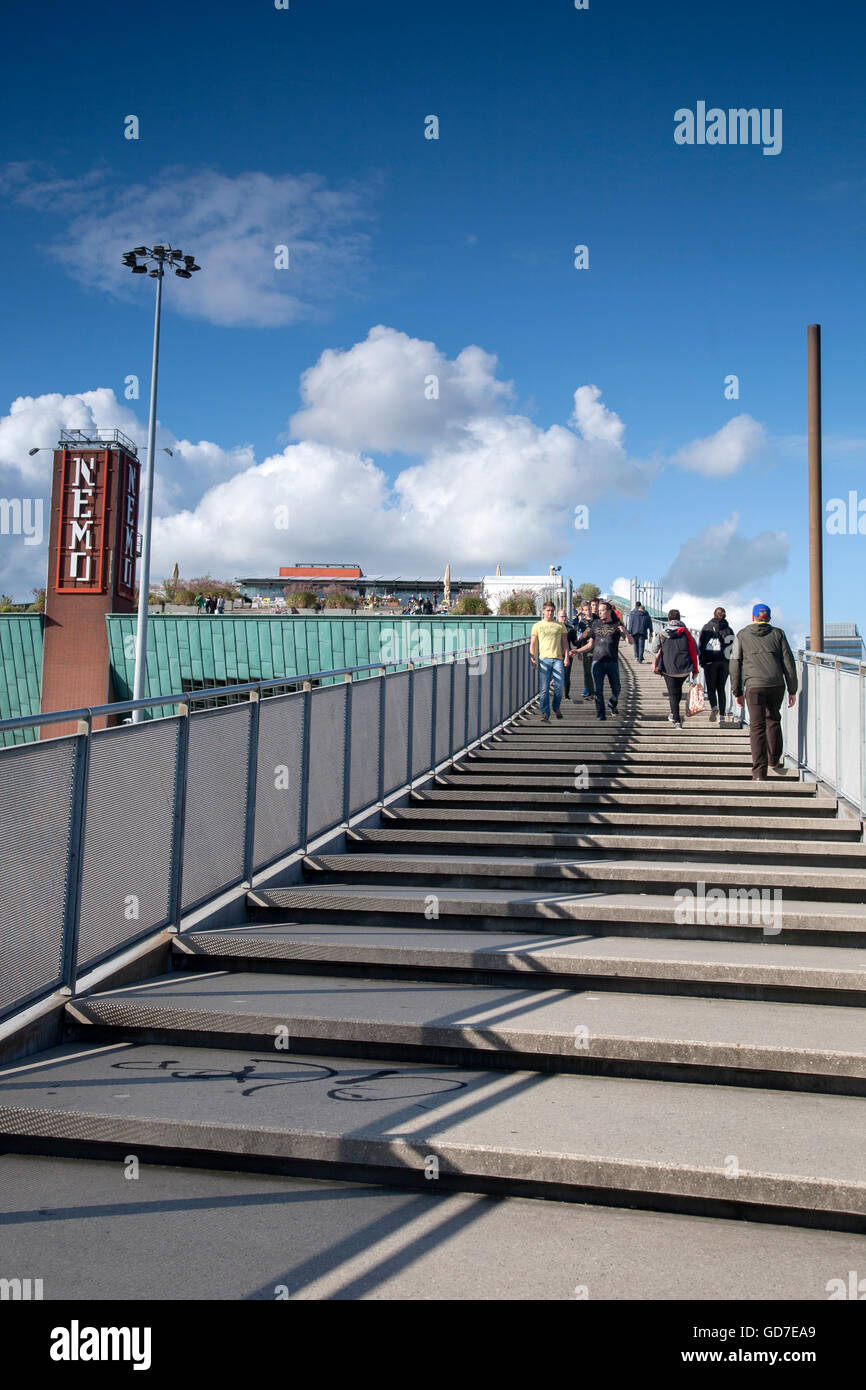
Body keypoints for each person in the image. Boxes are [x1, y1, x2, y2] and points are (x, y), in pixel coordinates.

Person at [729, 603, 798, 780]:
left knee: (756, 726)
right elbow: (788, 662)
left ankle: (759, 772)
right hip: (776, 684)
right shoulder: (778, 634)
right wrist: (792, 688)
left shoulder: (742, 635)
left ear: (753, 617)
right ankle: (774, 760)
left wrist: (737, 691)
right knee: (773, 718)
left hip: (753, 686)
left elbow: (735, 663)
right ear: (768, 618)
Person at [575, 599, 632, 720]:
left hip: (612, 662)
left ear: (609, 611)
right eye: (599, 611)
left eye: (602, 611)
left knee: (616, 688)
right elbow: (591, 644)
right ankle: (601, 715)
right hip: (598, 661)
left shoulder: (617, 625)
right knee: (597, 690)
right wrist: (577, 651)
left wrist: (625, 632)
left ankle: (612, 703)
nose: (599, 613)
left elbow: (631, 642)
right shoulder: (595, 624)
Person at [653, 608, 699, 728]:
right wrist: (694, 669)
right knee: (677, 691)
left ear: (668, 619)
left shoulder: (662, 633)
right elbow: (695, 650)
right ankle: (674, 714)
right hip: (684, 669)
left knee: (673, 693)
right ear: (679, 619)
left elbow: (653, 649)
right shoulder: (687, 633)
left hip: (668, 668)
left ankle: (677, 720)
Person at [530, 600, 569, 723]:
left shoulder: (560, 625)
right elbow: (533, 643)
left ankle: (556, 706)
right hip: (544, 659)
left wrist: (567, 656)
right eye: (548, 611)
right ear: (543, 611)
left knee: (559, 686)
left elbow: (565, 643)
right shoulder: (537, 625)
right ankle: (544, 713)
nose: (550, 613)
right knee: (544, 688)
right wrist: (532, 657)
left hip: (558, 658)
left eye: (552, 611)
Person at [698, 606, 734, 724]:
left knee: (711, 688)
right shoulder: (729, 630)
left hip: (710, 662)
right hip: (725, 663)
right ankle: (722, 715)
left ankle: (714, 707)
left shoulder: (707, 628)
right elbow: (732, 648)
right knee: (721, 688)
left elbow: (701, 645)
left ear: (714, 615)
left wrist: (702, 661)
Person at [573, 601, 595, 699]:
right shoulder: (582, 623)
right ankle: (589, 690)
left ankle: (594, 691)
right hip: (586, 648)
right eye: (586, 610)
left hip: (597, 648)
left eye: (589, 609)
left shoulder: (597, 619)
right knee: (587, 671)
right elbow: (579, 638)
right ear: (583, 611)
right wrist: (579, 651)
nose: (588, 611)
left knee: (596, 670)